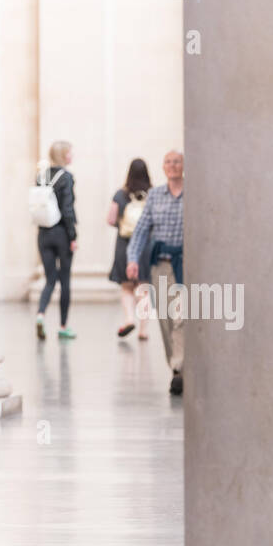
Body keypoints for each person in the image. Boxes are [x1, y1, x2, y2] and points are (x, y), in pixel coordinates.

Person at [126, 149, 185, 394]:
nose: (172, 166)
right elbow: (141, 230)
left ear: (183, 165)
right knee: (166, 319)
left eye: (177, 162)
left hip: (185, 263)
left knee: (182, 317)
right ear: (163, 167)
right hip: (160, 265)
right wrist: (132, 259)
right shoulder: (155, 196)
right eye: (168, 162)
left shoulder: (194, 193)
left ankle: (181, 367)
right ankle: (175, 366)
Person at [35, 139, 77, 341]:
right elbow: (68, 209)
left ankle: (40, 315)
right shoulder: (66, 177)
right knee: (65, 280)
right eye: (69, 153)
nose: (72, 156)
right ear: (63, 155)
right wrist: (73, 236)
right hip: (61, 233)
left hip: (43, 233)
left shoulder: (41, 175)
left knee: (50, 279)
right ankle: (63, 325)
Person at [108, 158, 152, 339]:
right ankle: (143, 330)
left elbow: (110, 219)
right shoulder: (153, 194)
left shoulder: (121, 195)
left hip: (124, 243)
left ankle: (129, 319)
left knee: (127, 286)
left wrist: (123, 223)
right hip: (146, 244)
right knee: (144, 287)